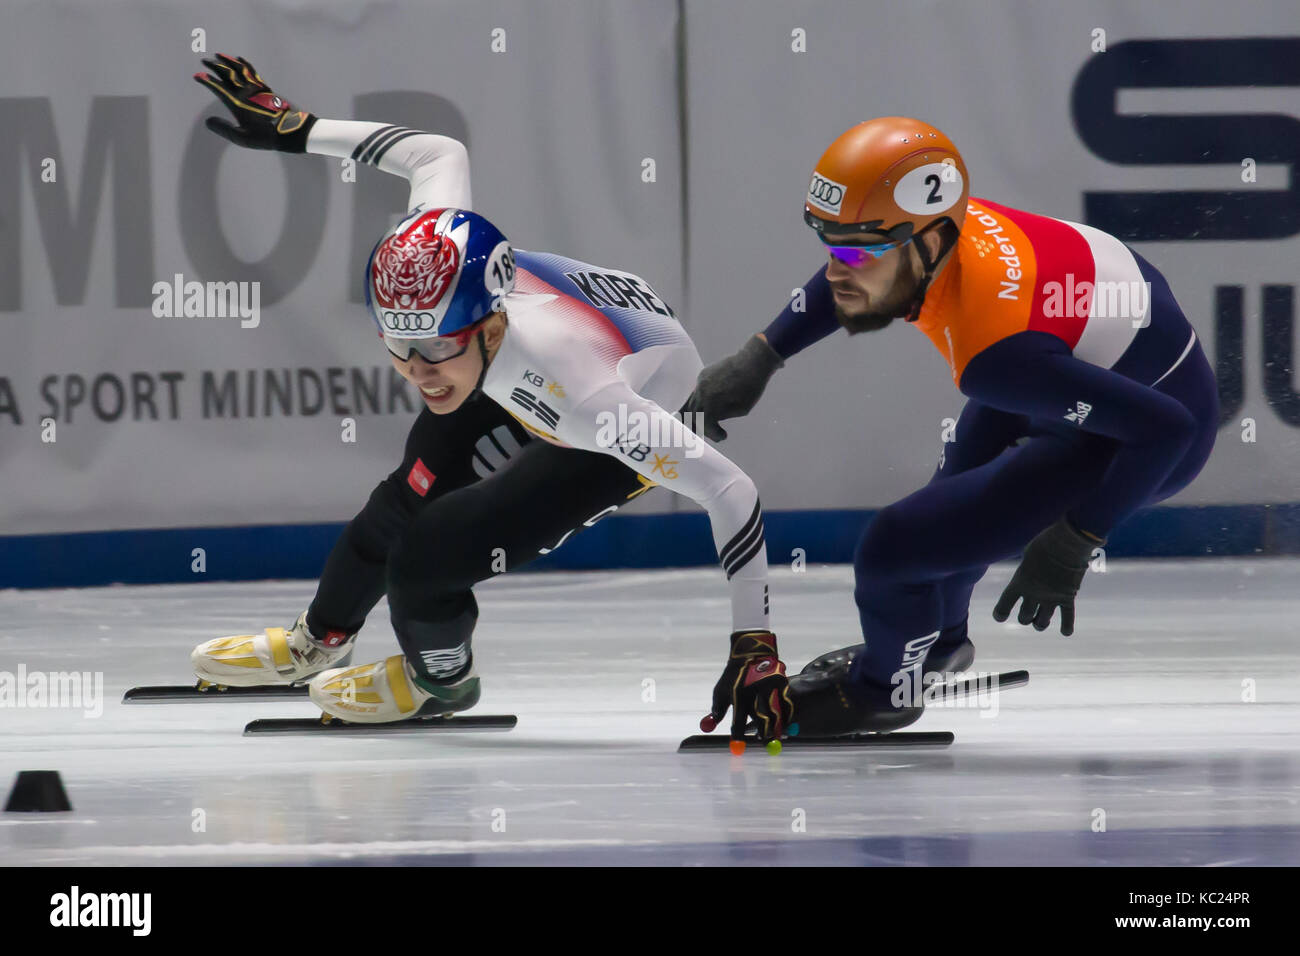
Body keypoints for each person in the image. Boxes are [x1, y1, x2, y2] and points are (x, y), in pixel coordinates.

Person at [187, 54, 792, 742]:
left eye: (435, 348)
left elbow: (731, 491)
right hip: (525, 355)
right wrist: (299, 128)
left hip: (616, 397)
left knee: (428, 560)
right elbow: (435, 151)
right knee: (402, 498)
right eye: (397, 345)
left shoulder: (586, 403)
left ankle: (440, 681)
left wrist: (756, 644)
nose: (418, 371)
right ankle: (319, 641)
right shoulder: (441, 261)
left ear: (492, 322)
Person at [686, 117, 1218, 736]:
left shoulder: (993, 356)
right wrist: (764, 354)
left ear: (931, 244)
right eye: (830, 245)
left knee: (894, 551)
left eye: (858, 250)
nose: (836, 269)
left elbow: (1169, 430)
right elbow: (859, 266)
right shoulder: (946, 234)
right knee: (946, 510)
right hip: (1084, 367)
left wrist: (1076, 539)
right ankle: (938, 644)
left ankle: (885, 692)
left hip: (1136, 436)